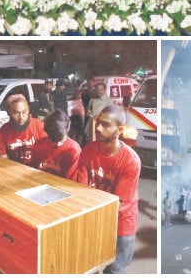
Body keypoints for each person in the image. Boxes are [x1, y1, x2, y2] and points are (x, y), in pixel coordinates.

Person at [77, 105, 141, 274]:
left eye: (105, 125)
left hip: (121, 223)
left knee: (115, 270)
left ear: (119, 130)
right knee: (88, 265)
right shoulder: (89, 150)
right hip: (95, 217)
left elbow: (118, 204)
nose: (97, 128)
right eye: (98, 122)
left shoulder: (130, 161)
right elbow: (81, 190)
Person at [0, 94, 47, 166]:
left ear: (28, 111)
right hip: (14, 169)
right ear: (8, 113)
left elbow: (47, 153)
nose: (21, 117)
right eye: (16, 113)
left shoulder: (39, 126)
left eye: (24, 112)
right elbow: (3, 160)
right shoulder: (2, 132)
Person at [30, 110, 81, 180]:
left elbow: (71, 181)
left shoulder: (73, 150)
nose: (58, 144)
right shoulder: (39, 145)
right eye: (52, 140)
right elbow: (33, 172)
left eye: (60, 140)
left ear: (67, 130)